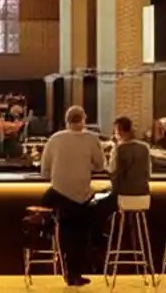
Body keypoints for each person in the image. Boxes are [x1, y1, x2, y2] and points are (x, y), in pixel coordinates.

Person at [40, 106, 105, 287]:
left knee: (64, 230)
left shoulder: (55, 139)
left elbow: (44, 171)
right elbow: (100, 166)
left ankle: (47, 234)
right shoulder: (92, 139)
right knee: (81, 234)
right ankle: (76, 272)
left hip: (60, 194)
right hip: (82, 196)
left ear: (66, 121)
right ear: (84, 120)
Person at [109, 117, 151, 209]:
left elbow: (112, 172)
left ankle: (119, 223)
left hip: (123, 196)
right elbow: (148, 173)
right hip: (144, 196)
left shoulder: (118, 149)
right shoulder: (145, 147)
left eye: (115, 132)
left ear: (119, 132)